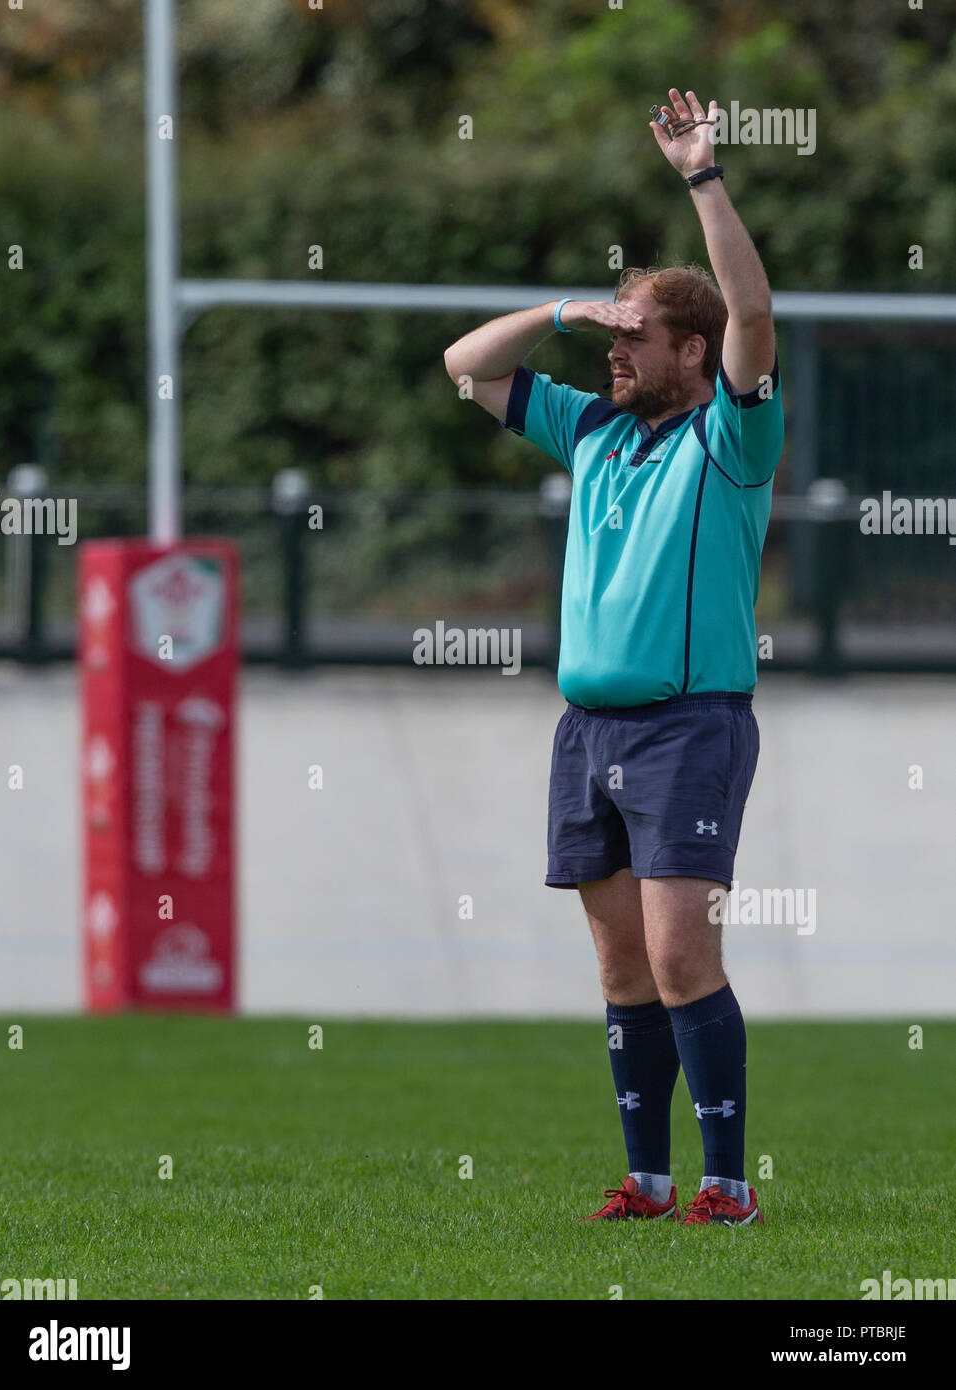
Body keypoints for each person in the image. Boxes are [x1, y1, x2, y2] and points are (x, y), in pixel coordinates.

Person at [443, 90, 783, 1226]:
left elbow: (748, 309)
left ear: (689, 351)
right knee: (621, 969)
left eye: (635, 336)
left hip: (689, 722)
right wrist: (559, 310)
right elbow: (463, 362)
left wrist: (701, 179)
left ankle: (727, 1186)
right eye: (613, 335)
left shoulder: (728, 433)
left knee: (680, 953)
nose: (616, 350)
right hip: (586, 730)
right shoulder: (588, 429)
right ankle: (646, 1178)